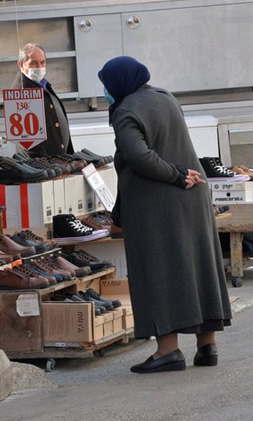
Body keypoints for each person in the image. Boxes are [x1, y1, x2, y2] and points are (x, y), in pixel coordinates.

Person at [98, 56, 232, 373]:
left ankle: (167, 351)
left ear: (119, 82)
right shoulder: (165, 96)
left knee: (157, 272)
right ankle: (207, 346)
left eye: (106, 85)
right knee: (198, 267)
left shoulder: (126, 110)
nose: (105, 92)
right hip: (194, 195)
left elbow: (138, 156)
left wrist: (175, 175)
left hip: (157, 203)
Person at [11, 43, 73, 157]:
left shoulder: (42, 85)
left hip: (59, 160)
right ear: (21, 64)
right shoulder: (21, 92)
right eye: (33, 63)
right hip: (44, 163)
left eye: (42, 62)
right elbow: (27, 142)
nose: (39, 67)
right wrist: (43, 164)